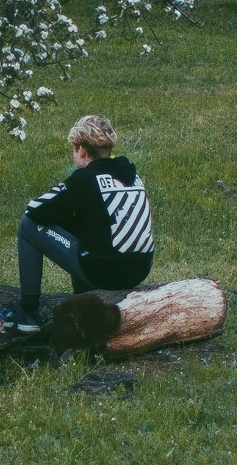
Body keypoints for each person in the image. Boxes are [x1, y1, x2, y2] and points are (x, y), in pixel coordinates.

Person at [9, 113, 153, 332]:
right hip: (139, 268)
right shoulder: (133, 175)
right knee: (84, 230)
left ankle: (28, 313)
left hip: (105, 272)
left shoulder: (84, 179)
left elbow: (36, 210)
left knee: (28, 226)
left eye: (74, 149)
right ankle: (84, 300)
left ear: (82, 150)